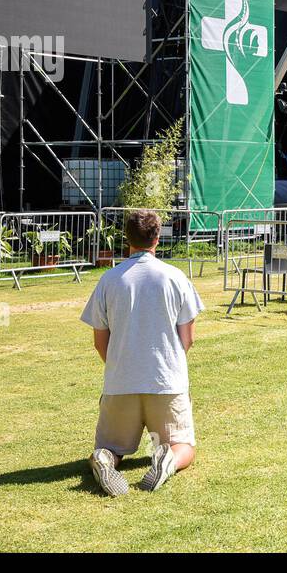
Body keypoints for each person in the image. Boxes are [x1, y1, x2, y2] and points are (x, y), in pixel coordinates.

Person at [81, 210, 204, 496]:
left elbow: (100, 341)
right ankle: (168, 460)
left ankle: (104, 459)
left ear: (127, 239)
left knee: (110, 447)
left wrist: (121, 365)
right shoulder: (175, 277)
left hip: (120, 382)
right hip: (165, 381)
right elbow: (188, 338)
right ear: (157, 238)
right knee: (183, 445)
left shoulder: (109, 280)